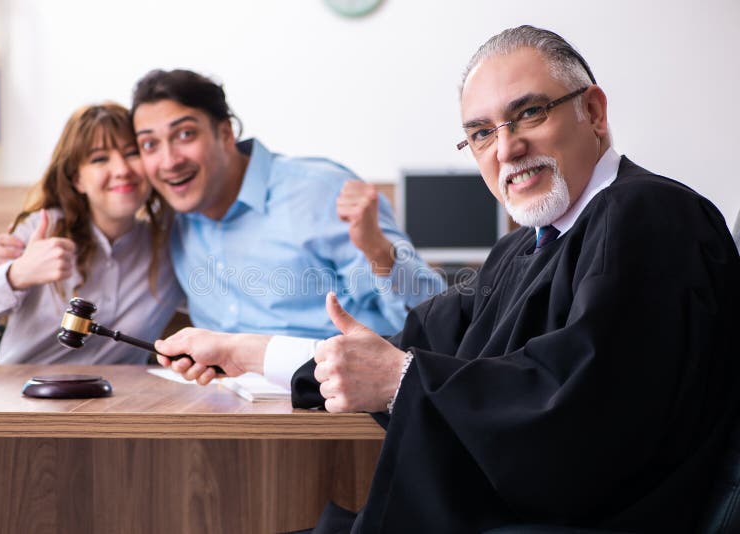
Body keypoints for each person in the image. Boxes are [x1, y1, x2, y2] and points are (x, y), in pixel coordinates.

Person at [154, 26, 740, 532]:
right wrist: (248, 352)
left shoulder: (649, 215)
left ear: (593, 110)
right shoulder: (521, 249)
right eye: (481, 132)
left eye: (529, 113)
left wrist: (400, 374)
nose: (507, 148)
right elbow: (411, 352)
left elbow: (582, 413)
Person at [129, 69, 445, 339]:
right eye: (149, 144)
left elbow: (435, 317)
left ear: (225, 133)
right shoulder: (170, 219)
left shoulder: (320, 191)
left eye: (185, 134)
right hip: (227, 399)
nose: (169, 161)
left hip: (337, 398)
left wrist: (377, 249)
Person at [0, 103, 184, 364]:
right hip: (20, 398)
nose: (122, 170)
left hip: (116, 401)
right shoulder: (43, 230)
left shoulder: (171, 244)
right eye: (99, 158)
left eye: (132, 153)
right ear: (77, 179)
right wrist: (17, 274)